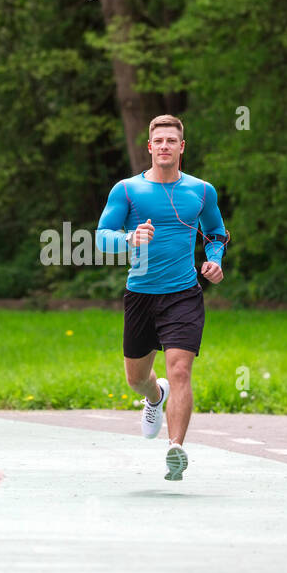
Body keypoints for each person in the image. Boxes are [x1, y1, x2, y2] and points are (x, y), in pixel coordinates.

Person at [95, 114, 230, 481]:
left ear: (181, 147)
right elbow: (101, 235)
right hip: (141, 295)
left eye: (173, 140)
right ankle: (154, 397)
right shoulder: (127, 190)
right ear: (150, 147)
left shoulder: (201, 191)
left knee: (181, 369)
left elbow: (216, 232)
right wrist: (128, 239)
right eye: (160, 141)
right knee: (136, 379)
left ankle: (176, 448)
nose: (166, 146)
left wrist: (214, 261)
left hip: (184, 294)